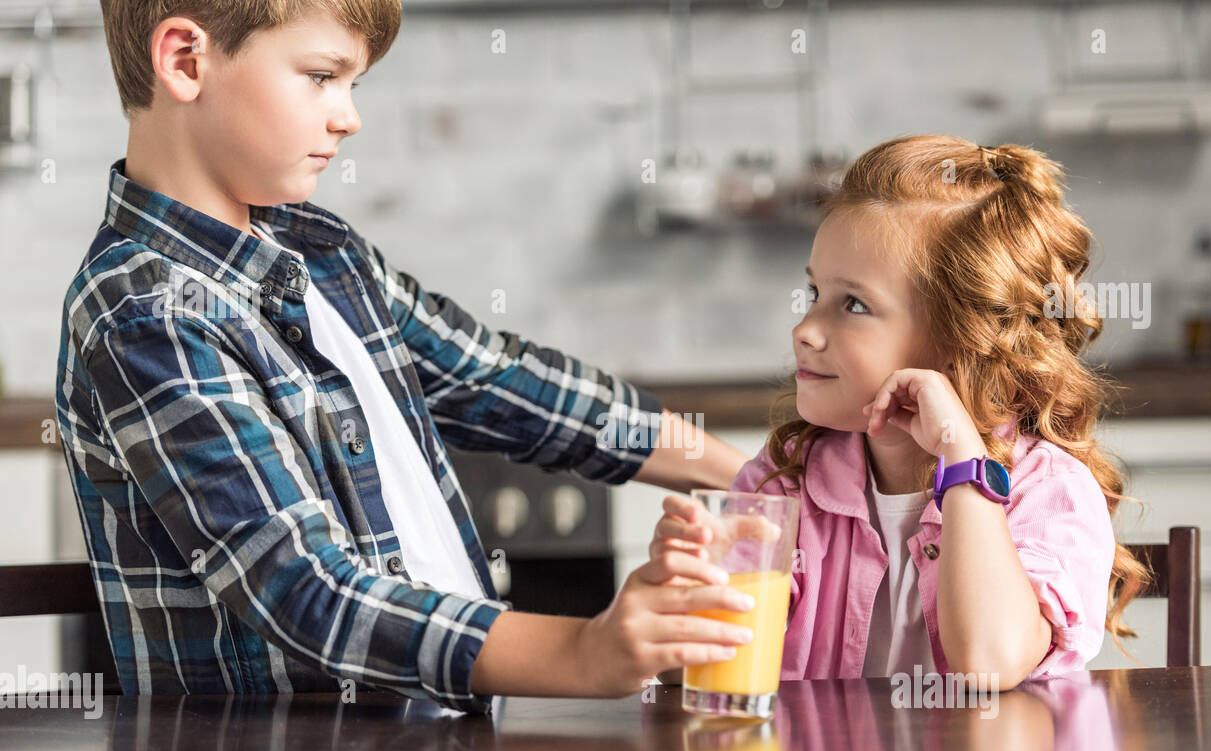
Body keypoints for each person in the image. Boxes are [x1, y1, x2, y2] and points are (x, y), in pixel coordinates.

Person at [56, 0, 760, 713]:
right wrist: (587, 651)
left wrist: (756, 479)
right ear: (185, 60)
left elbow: (497, 381)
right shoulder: (146, 311)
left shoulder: (324, 254)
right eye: (322, 76)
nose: (348, 117)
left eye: (352, 85)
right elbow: (305, 590)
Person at [652, 135, 1152, 690]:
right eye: (814, 292)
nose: (804, 331)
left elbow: (990, 661)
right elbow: (704, 669)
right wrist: (685, 593)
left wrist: (963, 461)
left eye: (854, 304)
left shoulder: (1047, 492)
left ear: (964, 340)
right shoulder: (786, 481)